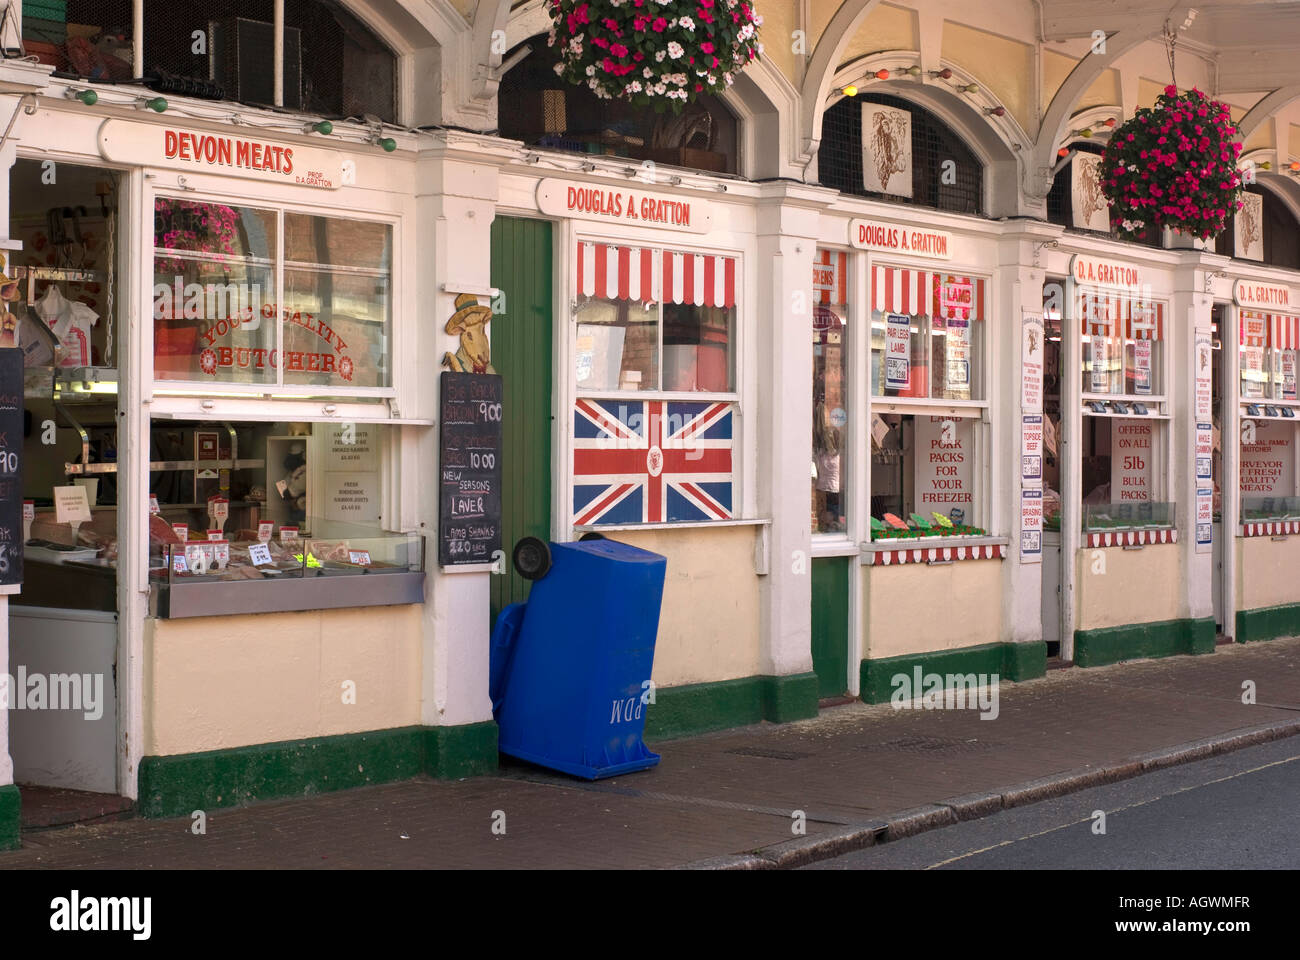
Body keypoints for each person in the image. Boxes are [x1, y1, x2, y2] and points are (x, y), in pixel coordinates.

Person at [813, 400, 844, 532]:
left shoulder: (822, 454)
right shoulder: (837, 457)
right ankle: (832, 527)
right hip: (834, 489)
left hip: (823, 489)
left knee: (827, 514)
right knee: (832, 515)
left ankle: (828, 528)